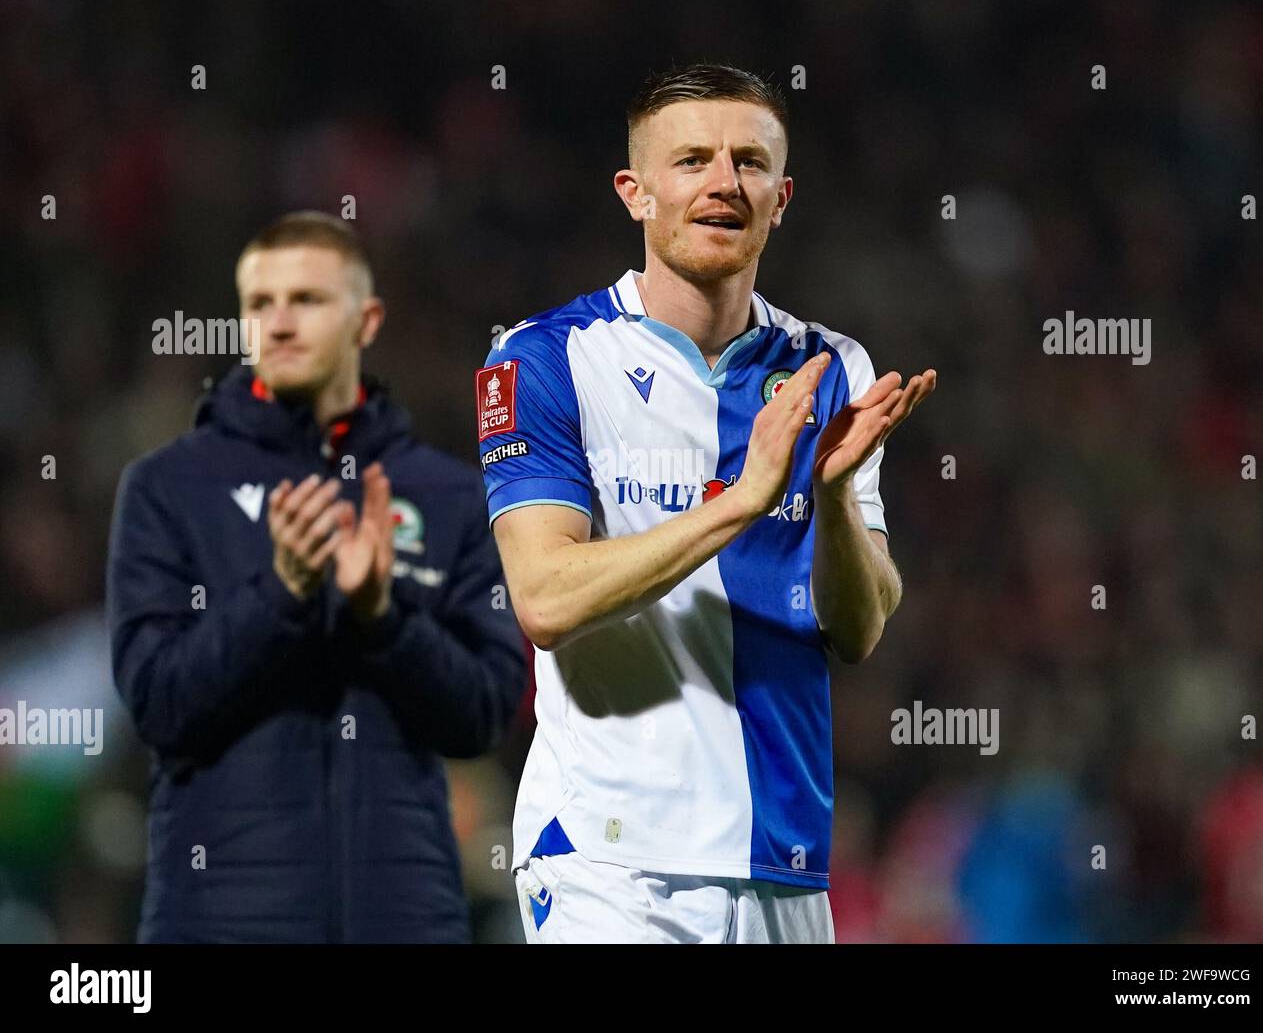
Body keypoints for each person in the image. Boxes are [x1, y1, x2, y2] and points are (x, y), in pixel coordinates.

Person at [478, 64, 936, 943]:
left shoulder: (831, 367)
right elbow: (544, 596)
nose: (724, 181)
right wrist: (742, 502)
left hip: (785, 863)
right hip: (612, 866)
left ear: (782, 196)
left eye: (749, 162)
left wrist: (833, 497)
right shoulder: (545, 358)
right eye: (691, 160)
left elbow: (861, 626)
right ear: (635, 192)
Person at [108, 211, 526, 942]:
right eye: (259, 304)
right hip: (219, 924)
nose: (279, 321)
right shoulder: (168, 488)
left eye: (306, 299)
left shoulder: (447, 495)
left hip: (405, 922)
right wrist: (282, 592)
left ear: (366, 321)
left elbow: (483, 714)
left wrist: (380, 615)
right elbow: (157, 702)